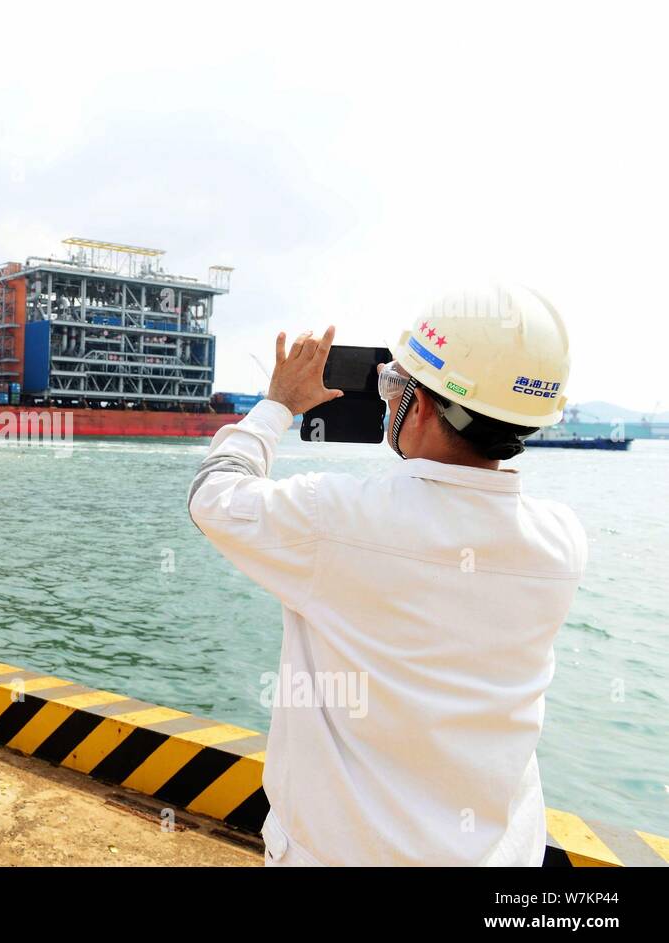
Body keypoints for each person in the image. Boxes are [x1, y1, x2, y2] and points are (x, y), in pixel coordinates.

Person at [188, 286, 586, 865]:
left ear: (419, 405)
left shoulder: (336, 517)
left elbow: (212, 495)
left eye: (392, 385)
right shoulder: (562, 540)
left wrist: (277, 403)